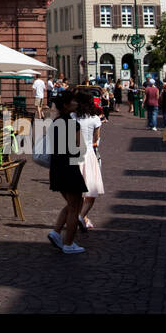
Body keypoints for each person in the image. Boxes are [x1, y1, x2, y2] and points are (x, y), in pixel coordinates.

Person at [47, 91, 87, 254]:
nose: (76, 103)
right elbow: (79, 147)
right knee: (74, 207)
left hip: (57, 166)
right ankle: (69, 243)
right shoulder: (72, 124)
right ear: (66, 105)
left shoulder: (55, 122)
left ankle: (56, 232)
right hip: (69, 166)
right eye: (73, 101)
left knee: (72, 204)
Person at [76, 94, 105, 231]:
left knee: (77, 191)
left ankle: (80, 217)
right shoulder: (95, 119)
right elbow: (96, 139)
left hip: (74, 154)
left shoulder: (71, 116)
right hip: (88, 154)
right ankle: (81, 216)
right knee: (91, 191)